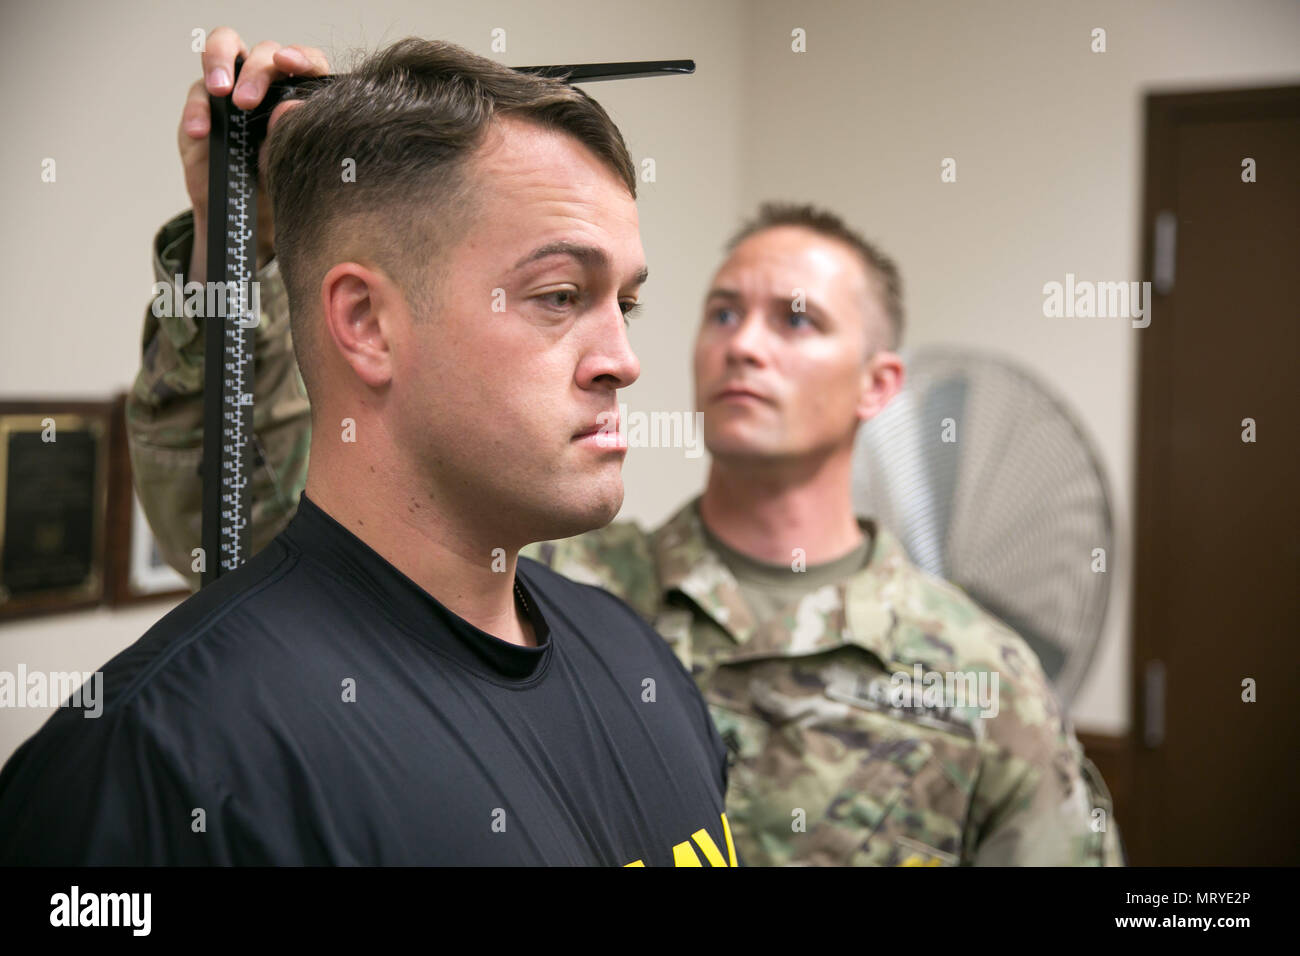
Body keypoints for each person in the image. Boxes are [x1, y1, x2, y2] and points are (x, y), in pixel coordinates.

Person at [124, 39, 1124, 867]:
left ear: (879, 386)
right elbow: (248, 523)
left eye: (798, 319)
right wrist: (237, 234)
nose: (743, 342)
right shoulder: (567, 589)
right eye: (721, 310)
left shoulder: (977, 675)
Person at [0, 33, 738, 867]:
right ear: (366, 324)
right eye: (560, 295)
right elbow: (231, 495)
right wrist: (233, 239)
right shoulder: (162, 759)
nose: (623, 360)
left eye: (625, 304)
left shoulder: (639, 664)